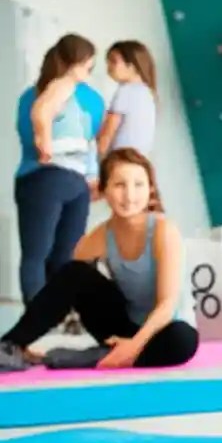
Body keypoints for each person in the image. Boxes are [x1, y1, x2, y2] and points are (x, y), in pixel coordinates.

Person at [0, 148, 198, 371]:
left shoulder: (164, 231)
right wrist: (29, 338)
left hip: (162, 330)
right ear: (103, 190)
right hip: (120, 329)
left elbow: (167, 304)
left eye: (138, 185)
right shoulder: (96, 239)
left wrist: (133, 346)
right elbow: (60, 293)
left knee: (184, 339)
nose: (130, 195)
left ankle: (105, 356)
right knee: (75, 271)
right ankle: (10, 345)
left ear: (151, 189)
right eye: (120, 185)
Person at [14, 34, 105, 305]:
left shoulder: (43, 94)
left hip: (63, 180)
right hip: (53, 177)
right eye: (88, 64)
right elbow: (41, 119)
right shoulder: (56, 91)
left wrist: (90, 176)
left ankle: (52, 314)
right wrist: (46, 145)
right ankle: (42, 317)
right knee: (47, 254)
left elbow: (88, 142)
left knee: (52, 254)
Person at [98, 40, 159, 157]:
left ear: (132, 65)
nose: (108, 67)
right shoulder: (149, 94)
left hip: (119, 157)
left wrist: (97, 158)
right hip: (140, 159)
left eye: (113, 61)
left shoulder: (126, 91)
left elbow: (107, 134)